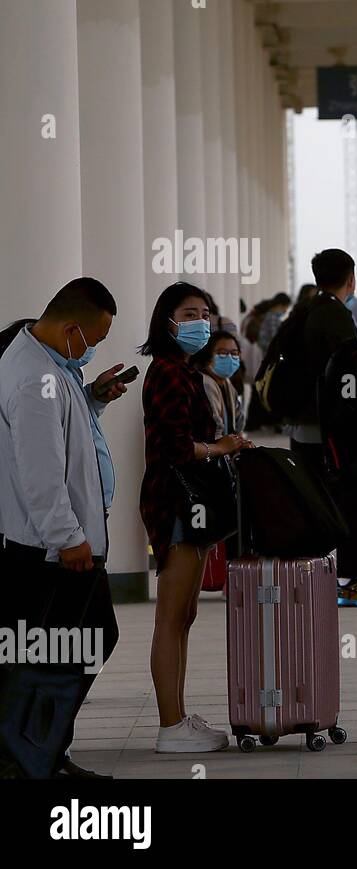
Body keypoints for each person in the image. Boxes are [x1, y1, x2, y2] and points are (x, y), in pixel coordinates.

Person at [0, 278, 129, 779]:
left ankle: (41, 753)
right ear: (72, 327)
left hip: (56, 545)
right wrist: (67, 537)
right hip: (50, 552)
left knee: (60, 648)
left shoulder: (49, 365)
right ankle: (29, 756)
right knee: (71, 645)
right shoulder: (35, 377)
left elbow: (65, 438)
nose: (93, 349)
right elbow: (39, 469)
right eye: (92, 340)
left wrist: (92, 398)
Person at [139, 282, 252, 753]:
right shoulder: (167, 372)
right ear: (167, 321)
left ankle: (178, 715)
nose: (199, 322)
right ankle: (170, 725)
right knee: (171, 614)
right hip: (178, 502)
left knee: (184, 614)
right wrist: (220, 447)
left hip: (191, 503)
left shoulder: (184, 370)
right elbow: (174, 445)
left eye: (205, 313)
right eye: (189, 313)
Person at [288, 249, 357, 607]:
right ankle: (348, 581)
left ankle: (318, 577)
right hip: (331, 432)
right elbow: (347, 378)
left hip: (303, 427)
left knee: (315, 502)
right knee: (353, 501)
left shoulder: (305, 311)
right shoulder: (337, 316)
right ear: (351, 279)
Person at [192, 330, 246, 438]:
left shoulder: (227, 383)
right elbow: (214, 431)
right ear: (208, 356)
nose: (229, 358)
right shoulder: (205, 384)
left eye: (234, 353)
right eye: (222, 353)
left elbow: (238, 423)